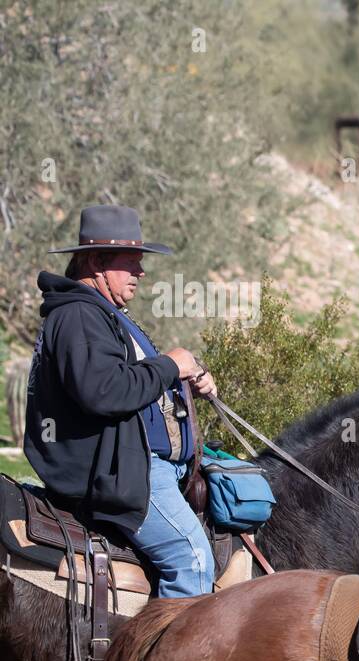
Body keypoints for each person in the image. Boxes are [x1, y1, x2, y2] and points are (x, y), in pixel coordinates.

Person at [25, 205, 217, 597]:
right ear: (97, 262)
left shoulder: (102, 313)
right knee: (192, 558)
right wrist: (169, 365)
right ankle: (172, 660)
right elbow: (105, 392)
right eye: (132, 264)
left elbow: (128, 382)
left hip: (143, 465)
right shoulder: (80, 315)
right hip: (122, 475)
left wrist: (180, 380)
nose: (141, 274)